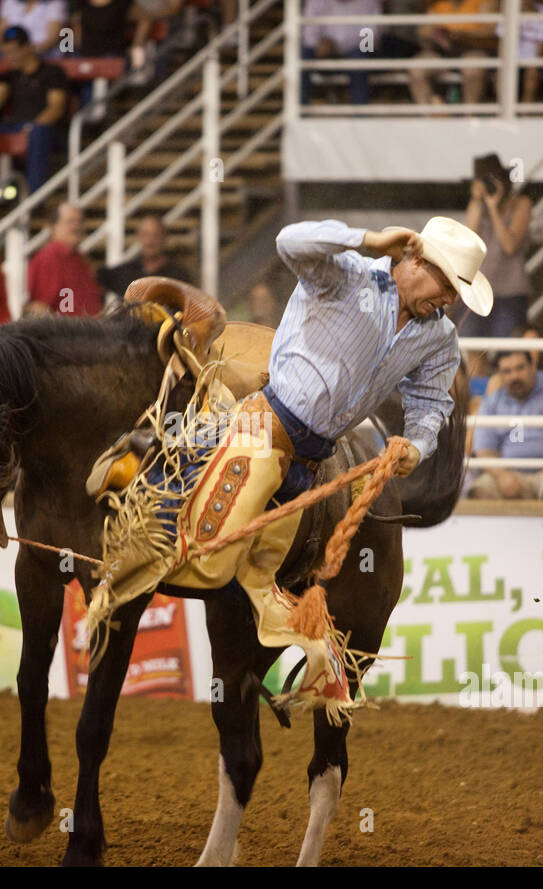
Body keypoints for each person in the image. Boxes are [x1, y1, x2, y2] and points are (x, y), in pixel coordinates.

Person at [89, 217, 481, 720]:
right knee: (207, 545)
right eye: (448, 285)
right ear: (417, 262)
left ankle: (145, 486)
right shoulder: (350, 274)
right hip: (266, 424)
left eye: (456, 293)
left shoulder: (437, 339)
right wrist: (368, 239)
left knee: (256, 567)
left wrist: (418, 444)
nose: (448, 300)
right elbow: (290, 242)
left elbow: (430, 401)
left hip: (311, 459)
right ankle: (128, 513)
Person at [468, 344, 543, 500]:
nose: (514, 377)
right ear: (500, 374)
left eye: (520, 368)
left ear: (533, 365)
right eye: (507, 371)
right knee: (480, 492)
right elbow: (484, 451)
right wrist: (501, 475)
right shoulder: (493, 402)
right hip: (510, 473)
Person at [463, 153, 533, 342]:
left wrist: (494, 208)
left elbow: (509, 245)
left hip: (510, 293)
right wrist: (478, 201)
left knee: (508, 350)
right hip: (477, 290)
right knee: (470, 347)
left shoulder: (521, 203)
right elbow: (467, 241)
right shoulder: (477, 204)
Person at [0, 26, 69, 190]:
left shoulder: (52, 72)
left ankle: (34, 197)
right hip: (16, 126)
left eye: (14, 51)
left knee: (38, 133)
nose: (10, 57)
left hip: (47, 130)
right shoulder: (10, 76)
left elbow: (56, 108)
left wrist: (31, 127)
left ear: (28, 47)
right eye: (6, 52)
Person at [408, 0, 496, 106]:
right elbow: (422, 34)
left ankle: (469, 115)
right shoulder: (438, 5)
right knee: (416, 68)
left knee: (473, 67)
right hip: (443, 52)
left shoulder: (483, 2)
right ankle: (428, 115)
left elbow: (491, 30)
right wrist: (433, 36)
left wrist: (462, 35)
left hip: (474, 49)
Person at [26, 201, 102, 316]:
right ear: (54, 226)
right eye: (70, 221)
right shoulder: (48, 259)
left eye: (80, 221)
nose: (77, 226)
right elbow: (40, 308)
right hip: (70, 332)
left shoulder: (79, 258)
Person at [300, 0, 381, 106]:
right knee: (303, 56)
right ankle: (300, 108)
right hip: (323, 54)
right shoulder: (316, 2)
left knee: (358, 58)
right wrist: (320, 43)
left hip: (356, 53)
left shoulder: (369, 2)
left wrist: (336, 45)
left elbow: (369, 41)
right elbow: (309, 36)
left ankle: (361, 114)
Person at [96, 214, 194, 298]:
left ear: (165, 238)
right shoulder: (125, 272)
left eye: (156, 235)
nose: (150, 241)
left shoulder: (179, 276)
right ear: (138, 237)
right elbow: (95, 281)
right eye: (145, 234)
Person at [0, 0, 69, 54]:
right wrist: (10, 53)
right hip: (11, 56)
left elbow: (53, 38)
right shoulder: (9, 2)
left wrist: (26, 53)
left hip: (44, 57)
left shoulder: (55, 3)